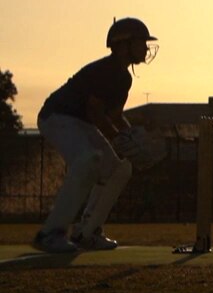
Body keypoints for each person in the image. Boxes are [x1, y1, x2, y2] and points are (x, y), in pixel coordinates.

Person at [32, 17, 159, 253]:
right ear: (122, 45)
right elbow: (95, 111)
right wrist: (119, 138)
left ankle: (87, 232)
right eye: (141, 42)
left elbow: (115, 115)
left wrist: (129, 136)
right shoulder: (105, 70)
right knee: (88, 160)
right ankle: (51, 233)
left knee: (119, 169)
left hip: (80, 122)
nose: (145, 48)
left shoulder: (123, 77)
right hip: (57, 117)